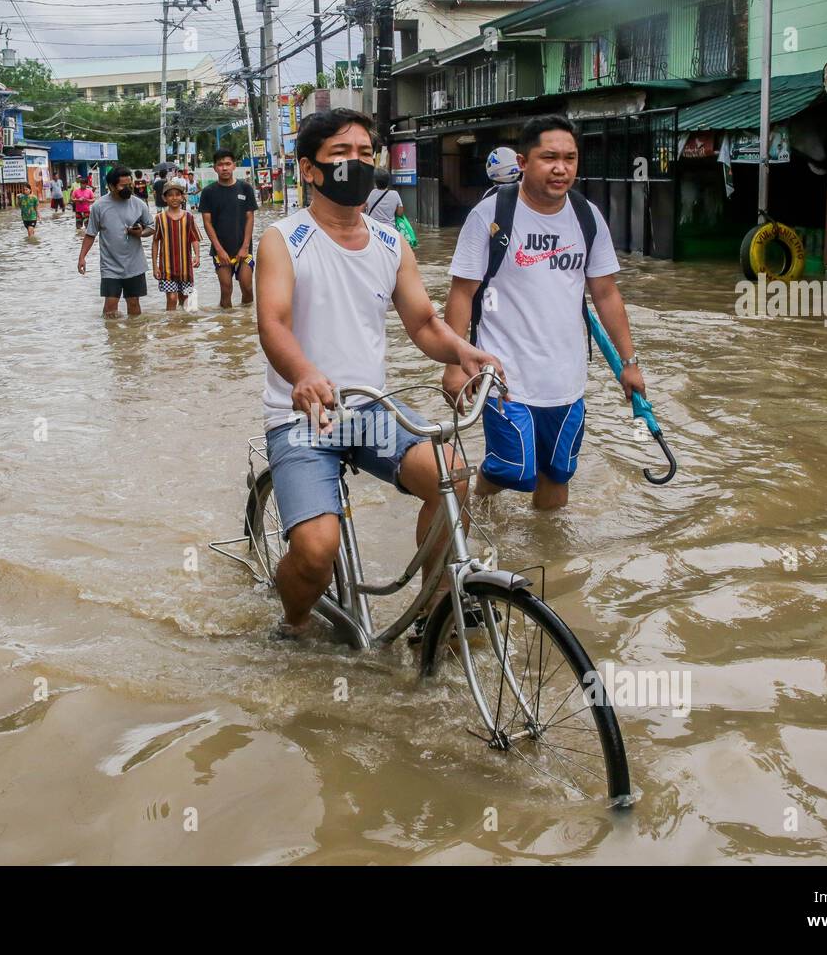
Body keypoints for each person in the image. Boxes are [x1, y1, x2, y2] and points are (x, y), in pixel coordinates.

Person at [256, 108, 504, 640]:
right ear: (309, 169)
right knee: (315, 552)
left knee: (453, 476)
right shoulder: (283, 239)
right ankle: (292, 622)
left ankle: (435, 610)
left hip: (368, 411)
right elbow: (273, 324)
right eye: (341, 155)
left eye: (365, 154)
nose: (357, 164)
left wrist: (464, 352)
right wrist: (302, 373)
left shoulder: (390, 242)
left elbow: (424, 322)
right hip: (302, 417)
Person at [443, 114, 645, 512]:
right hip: (502, 375)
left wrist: (629, 362)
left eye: (570, 158)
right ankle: (479, 500)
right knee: (511, 470)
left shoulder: (587, 217)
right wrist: (454, 364)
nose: (561, 168)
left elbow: (605, 294)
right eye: (549, 157)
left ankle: (551, 558)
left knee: (556, 474)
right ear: (522, 162)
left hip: (566, 380)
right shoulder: (490, 216)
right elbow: (461, 293)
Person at [78, 166, 155, 319]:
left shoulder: (139, 204)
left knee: (133, 304)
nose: (128, 188)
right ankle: (113, 340)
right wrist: (82, 257)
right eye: (123, 186)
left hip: (135, 264)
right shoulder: (99, 206)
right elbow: (90, 234)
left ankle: (134, 338)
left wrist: (140, 233)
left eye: (129, 184)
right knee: (110, 308)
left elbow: (151, 227)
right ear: (111, 186)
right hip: (110, 266)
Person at [199, 148, 258, 308]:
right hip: (221, 250)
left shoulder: (245, 189)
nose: (224, 168)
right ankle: (226, 327)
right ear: (214, 168)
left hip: (244, 249)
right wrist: (219, 249)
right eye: (220, 165)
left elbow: (250, 218)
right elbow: (207, 222)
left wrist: (245, 246)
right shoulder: (208, 192)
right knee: (226, 289)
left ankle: (244, 323)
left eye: (227, 164)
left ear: (234, 166)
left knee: (247, 288)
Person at [152, 177, 201, 311]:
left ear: (183, 197)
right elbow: (155, 241)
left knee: (185, 300)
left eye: (177, 194)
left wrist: (197, 256)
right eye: (170, 195)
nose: (174, 198)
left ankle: (182, 329)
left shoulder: (189, 217)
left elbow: (194, 238)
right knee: (172, 299)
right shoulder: (159, 218)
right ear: (164, 198)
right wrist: (155, 265)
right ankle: (170, 327)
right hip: (166, 268)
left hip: (185, 267)